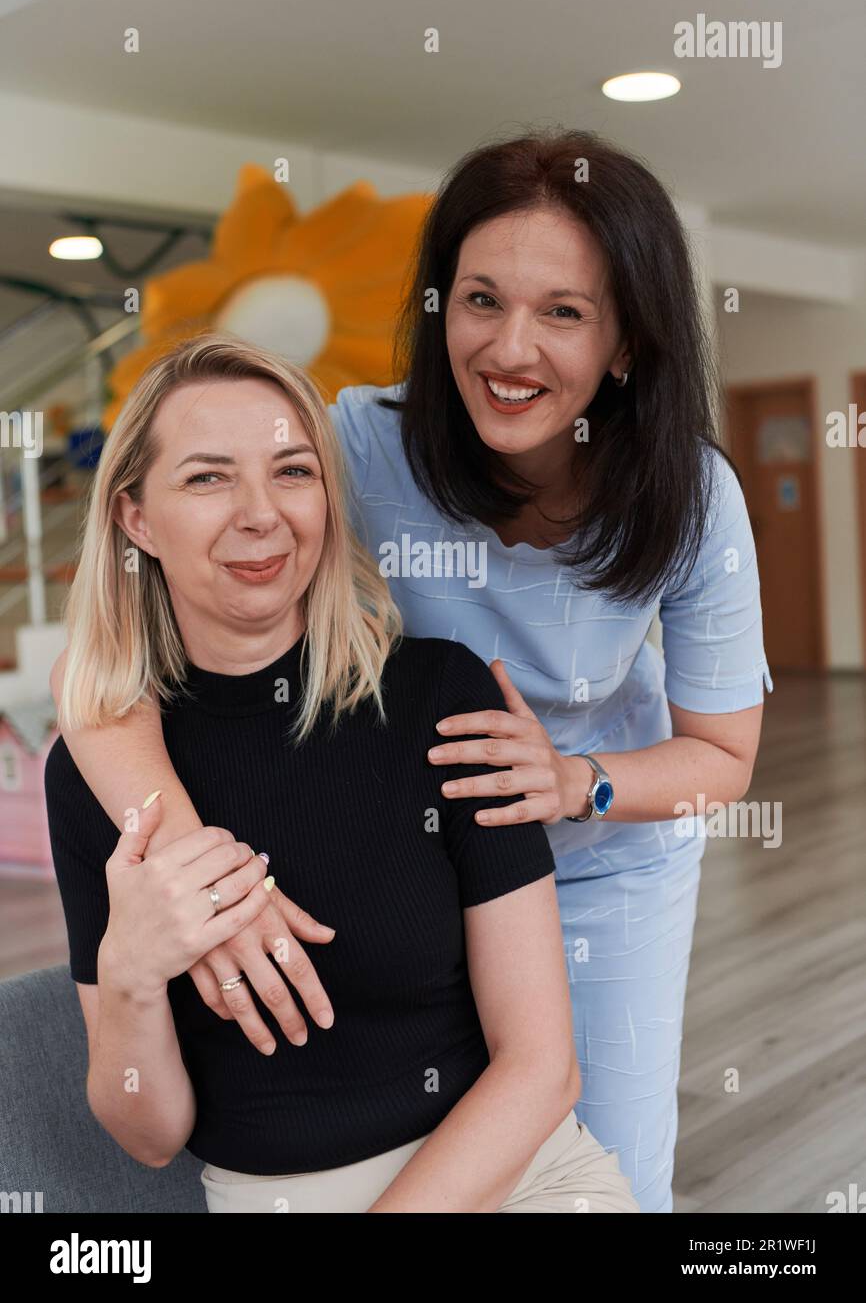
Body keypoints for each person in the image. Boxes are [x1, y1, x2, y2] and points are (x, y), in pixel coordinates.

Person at [50, 128, 772, 1212]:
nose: (509, 348)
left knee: (609, 1156)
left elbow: (723, 756)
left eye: (564, 312)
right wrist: (192, 860)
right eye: (479, 300)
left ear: (625, 343)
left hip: (604, 853)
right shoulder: (352, 447)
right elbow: (108, 679)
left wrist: (578, 782)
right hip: (418, 849)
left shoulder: (691, 499)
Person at [44, 336, 639, 1213]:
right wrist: (131, 972)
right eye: (208, 478)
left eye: (292, 471)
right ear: (136, 519)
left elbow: (542, 1068)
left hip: (514, 1175)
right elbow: (149, 1135)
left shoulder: (441, 697)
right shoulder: (97, 779)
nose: (261, 514)